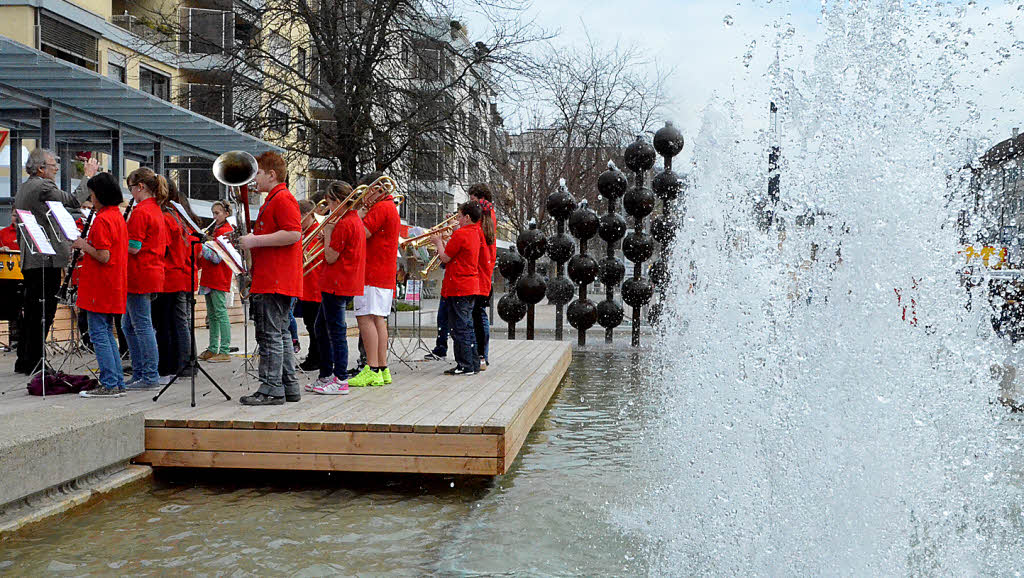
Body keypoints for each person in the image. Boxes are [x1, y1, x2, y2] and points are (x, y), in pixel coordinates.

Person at [238, 151, 303, 406]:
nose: (255, 179)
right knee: (281, 333)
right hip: (275, 276)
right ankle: (288, 385)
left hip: (274, 278)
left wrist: (255, 240)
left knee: (269, 335)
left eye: (258, 173)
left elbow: (293, 234)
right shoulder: (276, 198)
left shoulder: (282, 199)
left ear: (271, 174)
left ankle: (271, 388)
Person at [13, 148, 81, 375]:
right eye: (53, 166)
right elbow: (72, 200)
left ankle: (24, 359)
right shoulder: (43, 186)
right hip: (45, 258)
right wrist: (89, 177)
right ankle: (35, 361)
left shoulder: (24, 187)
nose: (57, 169)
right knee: (44, 311)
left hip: (30, 257)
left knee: (31, 310)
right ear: (41, 168)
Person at [75, 173, 129, 398]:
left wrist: (83, 245)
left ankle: (109, 383)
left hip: (101, 285)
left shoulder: (103, 219)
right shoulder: (116, 215)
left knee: (99, 334)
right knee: (107, 333)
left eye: (93, 193)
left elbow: (104, 255)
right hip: (112, 283)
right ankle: (116, 381)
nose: (91, 197)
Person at [311, 181, 366, 395]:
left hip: (337, 282)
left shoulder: (344, 223)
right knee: (321, 328)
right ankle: (326, 374)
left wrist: (327, 234)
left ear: (336, 200)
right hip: (339, 281)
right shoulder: (352, 220)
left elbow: (331, 256)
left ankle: (340, 378)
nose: (328, 207)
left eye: (330, 202)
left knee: (335, 331)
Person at [347, 172, 400, 388]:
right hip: (383, 272)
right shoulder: (389, 207)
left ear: (376, 190)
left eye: (367, 192)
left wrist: (355, 216)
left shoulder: (380, 207)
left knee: (365, 319)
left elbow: (362, 233)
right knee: (379, 320)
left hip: (371, 272)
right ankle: (381, 367)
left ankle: (372, 368)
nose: (364, 198)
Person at [122, 167, 167, 390]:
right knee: (129, 325)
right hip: (151, 271)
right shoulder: (156, 209)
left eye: (131, 188)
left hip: (140, 272)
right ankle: (141, 372)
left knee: (140, 325)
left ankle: (149, 375)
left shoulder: (141, 211)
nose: (130, 193)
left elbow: (133, 247)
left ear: (140, 187)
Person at [430, 201, 483, 375]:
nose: (457, 220)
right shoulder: (476, 232)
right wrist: (453, 231)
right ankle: (472, 363)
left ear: (467, 217)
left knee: (458, 328)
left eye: (459, 217)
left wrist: (438, 241)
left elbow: (445, 257)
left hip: (458, 286)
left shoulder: (462, 234)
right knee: (467, 327)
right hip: (470, 286)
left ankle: (464, 365)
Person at [154, 180, 193, 384]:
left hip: (169, 275)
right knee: (177, 323)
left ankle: (171, 366)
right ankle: (184, 364)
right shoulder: (176, 216)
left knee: (167, 325)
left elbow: (163, 248)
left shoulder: (166, 217)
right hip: (177, 274)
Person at [198, 200, 234, 362]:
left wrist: (202, 243)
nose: (214, 216)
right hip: (209, 276)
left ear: (226, 214)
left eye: (217, 213)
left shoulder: (226, 231)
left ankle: (224, 349)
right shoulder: (217, 230)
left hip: (218, 276)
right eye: (213, 213)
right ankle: (213, 348)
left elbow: (216, 258)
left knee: (220, 313)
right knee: (211, 315)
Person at [469, 184, 497, 371]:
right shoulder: (490, 215)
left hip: (476, 272)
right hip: (485, 272)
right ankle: (482, 356)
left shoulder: (479, 218)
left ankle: (478, 355)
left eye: (471, 199)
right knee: (480, 315)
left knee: (476, 316)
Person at [296, 199, 322, 372]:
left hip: (315, 284)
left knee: (314, 325)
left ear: (307, 215)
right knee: (309, 323)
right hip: (306, 285)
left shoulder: (317, 231)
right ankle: (313, 356)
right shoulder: (305, 232)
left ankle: (316, 358)